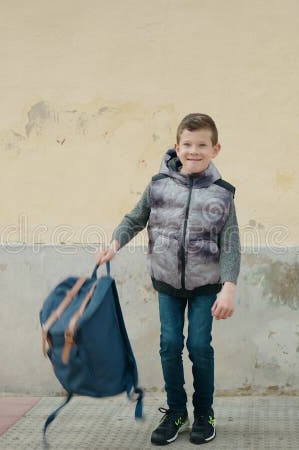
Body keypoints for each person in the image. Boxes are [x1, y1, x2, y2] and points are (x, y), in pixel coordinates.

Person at [94, 113, 241, 445]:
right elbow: (135, 218)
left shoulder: (222, 194)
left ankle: (204, 413)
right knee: (170, 345)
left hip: (207, 286)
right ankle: (177, 411)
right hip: (167, 283)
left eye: (202, 145)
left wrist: (229, 287)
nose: (193, 151)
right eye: (187, 144)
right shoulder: (158, 185)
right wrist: (114, 244)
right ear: (177, 146)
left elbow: (230, 244)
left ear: (215, 149)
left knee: (199, 346)